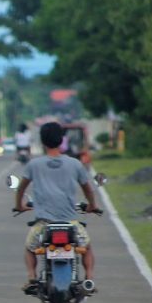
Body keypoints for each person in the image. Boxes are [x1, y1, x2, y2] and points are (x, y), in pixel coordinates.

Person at [14, 121, 102, 294]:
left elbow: (21, 188)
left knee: (30, 249)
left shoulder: (34, 165)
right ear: (62, 140)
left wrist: (19, 205)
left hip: (44, 223)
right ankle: (89, 279)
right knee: (87, 248)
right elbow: (88, 189)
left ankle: (32, 277)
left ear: (42, 141)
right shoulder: (75, 164)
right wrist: (93, 206)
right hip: (70, 223)